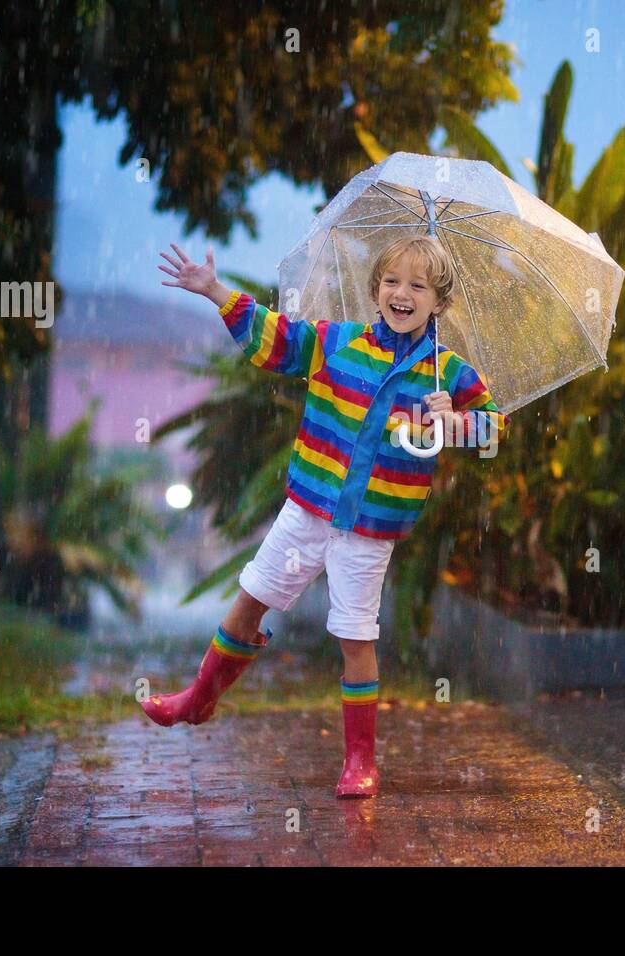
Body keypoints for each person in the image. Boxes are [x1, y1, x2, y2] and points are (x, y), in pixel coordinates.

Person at [145, 235, 506, 798]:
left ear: (439, 302)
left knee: (355, 637)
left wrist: (455, 422)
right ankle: (199, 697)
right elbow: (277, 341)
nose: (401, 293)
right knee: (249, 601)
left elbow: (494, 428)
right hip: (307, 511)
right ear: (375, 289)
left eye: (417, 285)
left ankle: (361, 759)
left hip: (369, 530)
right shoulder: (339, 343)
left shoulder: (449, 375)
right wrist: (215, 291)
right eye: (391, 281)